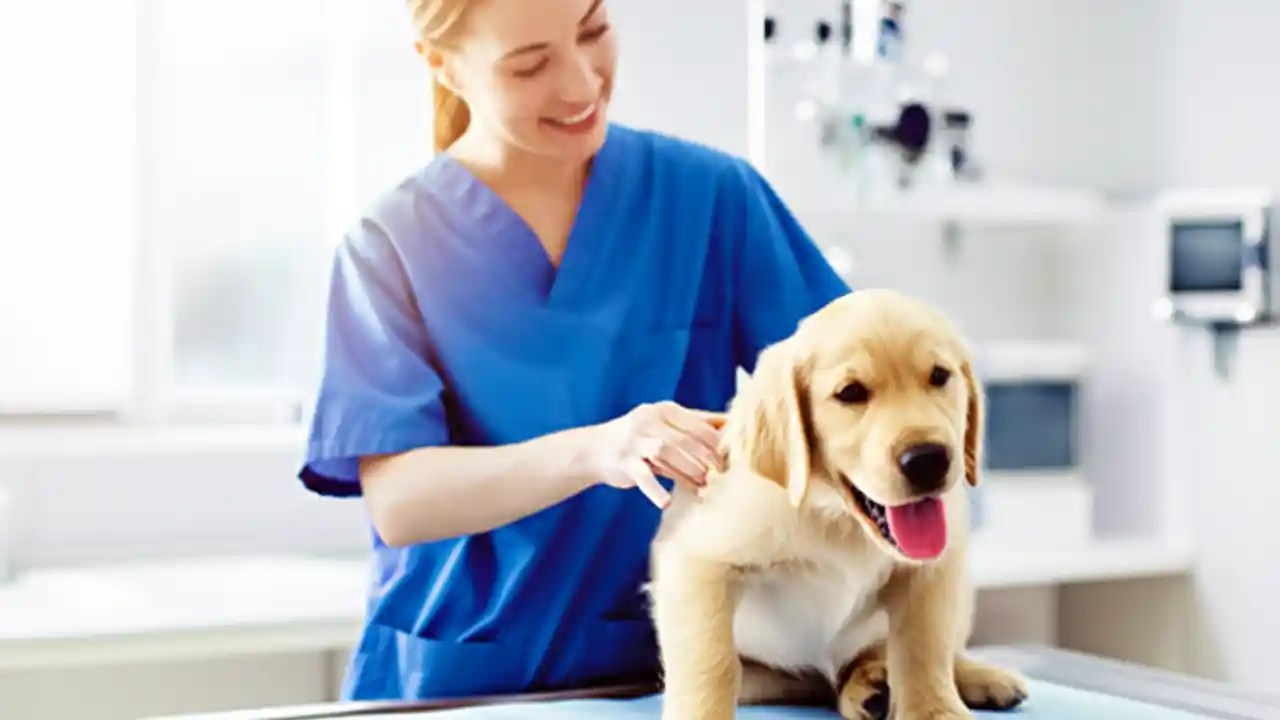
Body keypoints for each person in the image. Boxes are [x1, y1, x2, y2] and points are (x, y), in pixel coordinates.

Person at [298, 0, 851, 703]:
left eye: (593, 31)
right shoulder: (391, 245)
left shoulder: (712, 200)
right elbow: (402, 501)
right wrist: (601, 450)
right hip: (462, 679)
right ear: (442, 64)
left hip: (676, 673)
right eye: (530, 64)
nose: (582, 83)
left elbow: (858, 396)